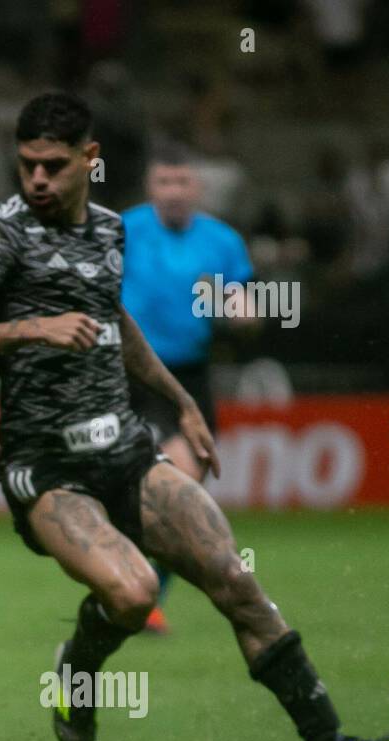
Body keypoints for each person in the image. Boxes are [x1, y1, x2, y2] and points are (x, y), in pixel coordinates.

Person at [0, 92, 389, 741]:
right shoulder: (5, 235)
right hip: (48, 468)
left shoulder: (112, 232)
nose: (37, 181)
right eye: (26, 165)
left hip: (125, 448)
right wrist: (34, 327)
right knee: (134, 593)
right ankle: (77, 669)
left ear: (90, 160)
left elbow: (114, 320)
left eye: (53, 167)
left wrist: (185, 405)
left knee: (235, 581)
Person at [121, 142, 260, 633]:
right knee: (178, 479)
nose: (174, 192)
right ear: (150, 187)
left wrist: (244, 312)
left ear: (197, 188)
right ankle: (133, 592)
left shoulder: (222, 242)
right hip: (136, 373)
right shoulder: (124, 230)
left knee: (190, 488)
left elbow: (245, 300)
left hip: (192, 375)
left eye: (183, 183)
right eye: (165, 182)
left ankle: (138, 592)